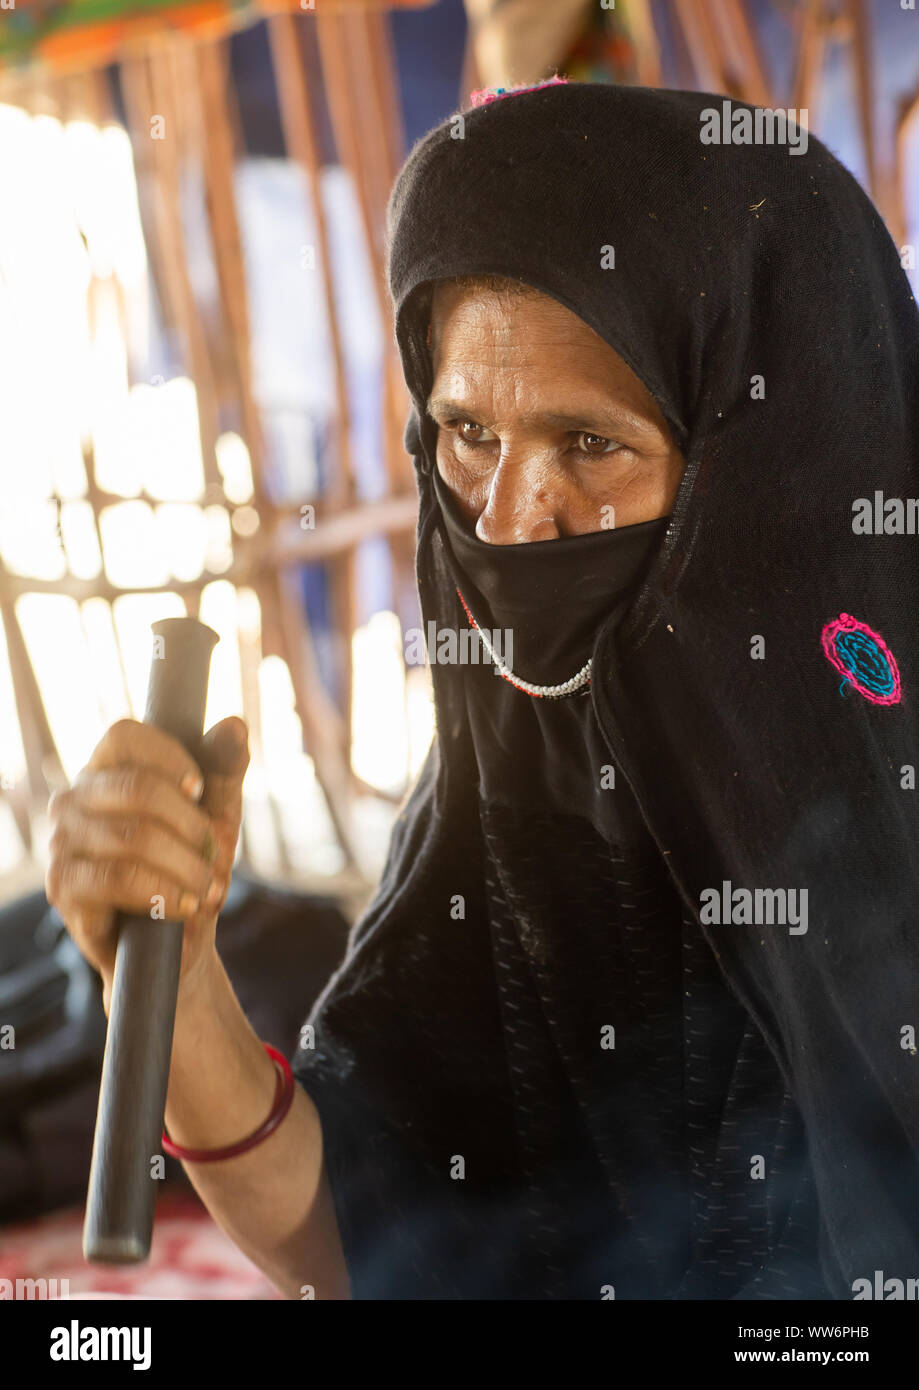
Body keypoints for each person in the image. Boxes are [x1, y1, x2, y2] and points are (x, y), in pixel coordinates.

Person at [46, 80, 919, 1300]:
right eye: (467, 434)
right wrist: (181, 980)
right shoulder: (521, 769)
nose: (508, 521)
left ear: (759, 466)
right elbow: (355, 1235)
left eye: (590, 445)